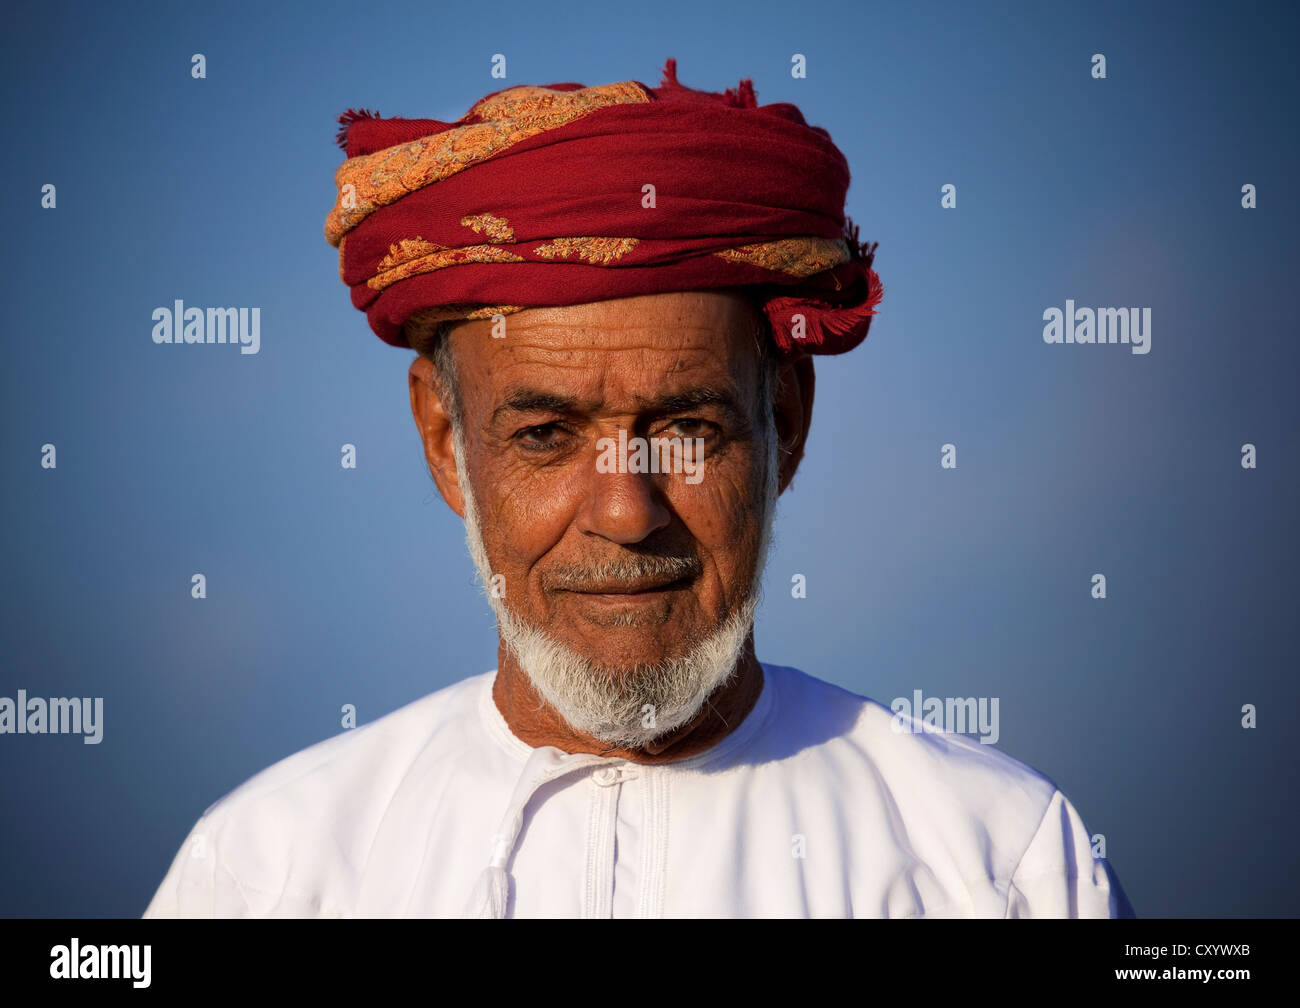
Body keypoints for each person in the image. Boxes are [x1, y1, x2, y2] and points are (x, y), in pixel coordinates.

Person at [144, 60, 1132, 918]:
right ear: (445, 442)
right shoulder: (270, 877)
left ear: (783, 422)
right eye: (544, 436)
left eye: (686, 429)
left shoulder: (1001, 869)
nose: (625, 511)